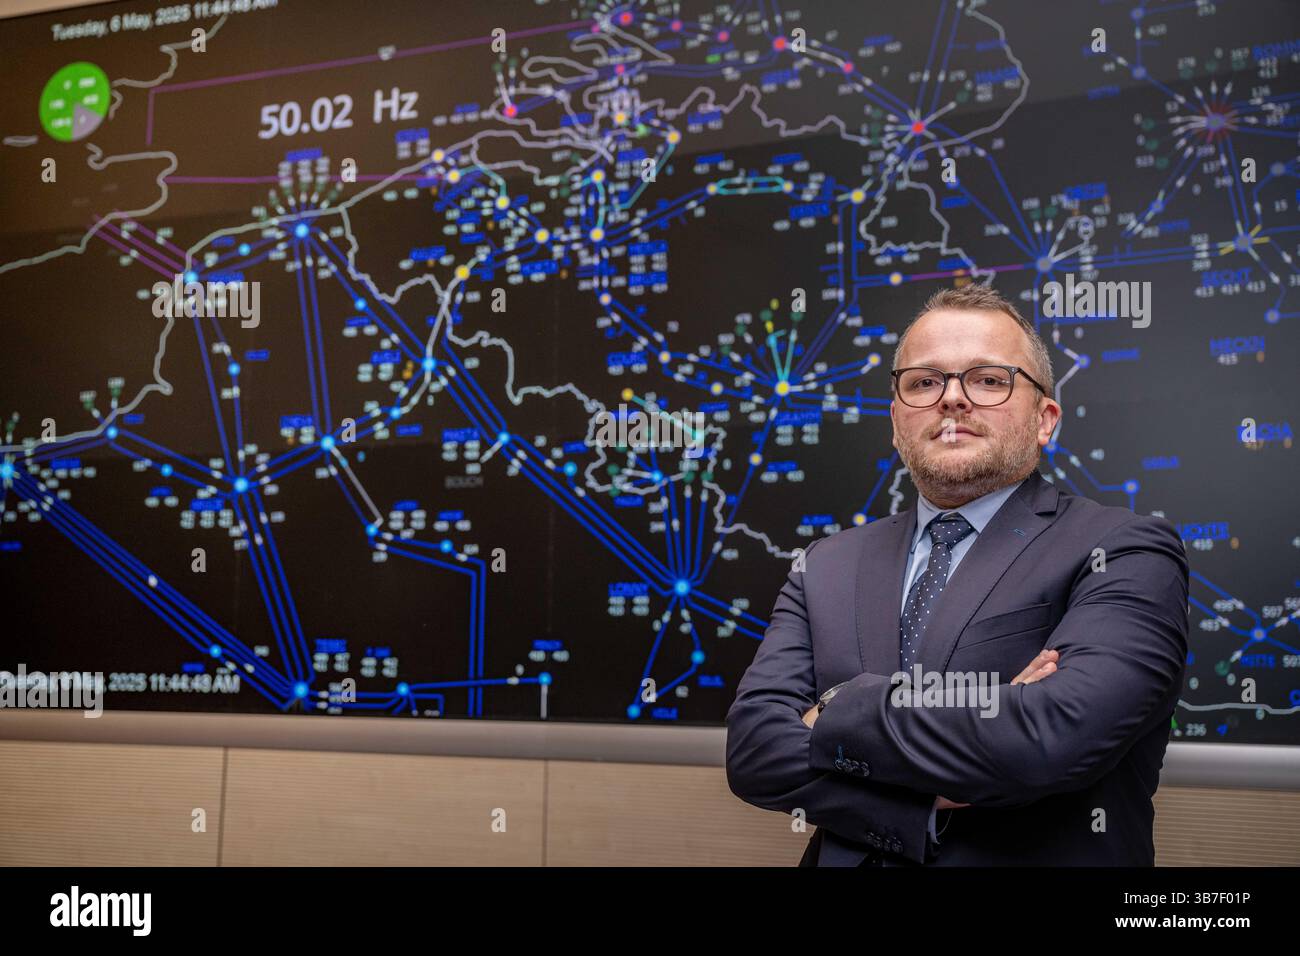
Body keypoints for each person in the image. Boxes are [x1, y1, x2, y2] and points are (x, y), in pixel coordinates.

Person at [725, 285, 1189, 866]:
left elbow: (1053, 737)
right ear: (896, 422)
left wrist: (840, 706)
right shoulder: (825, 565)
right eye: (924, 382)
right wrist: (925, 802)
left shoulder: (1123, 549)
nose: (953, 400)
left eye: (989, 380)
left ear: (1045, 419)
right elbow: (754, 753)